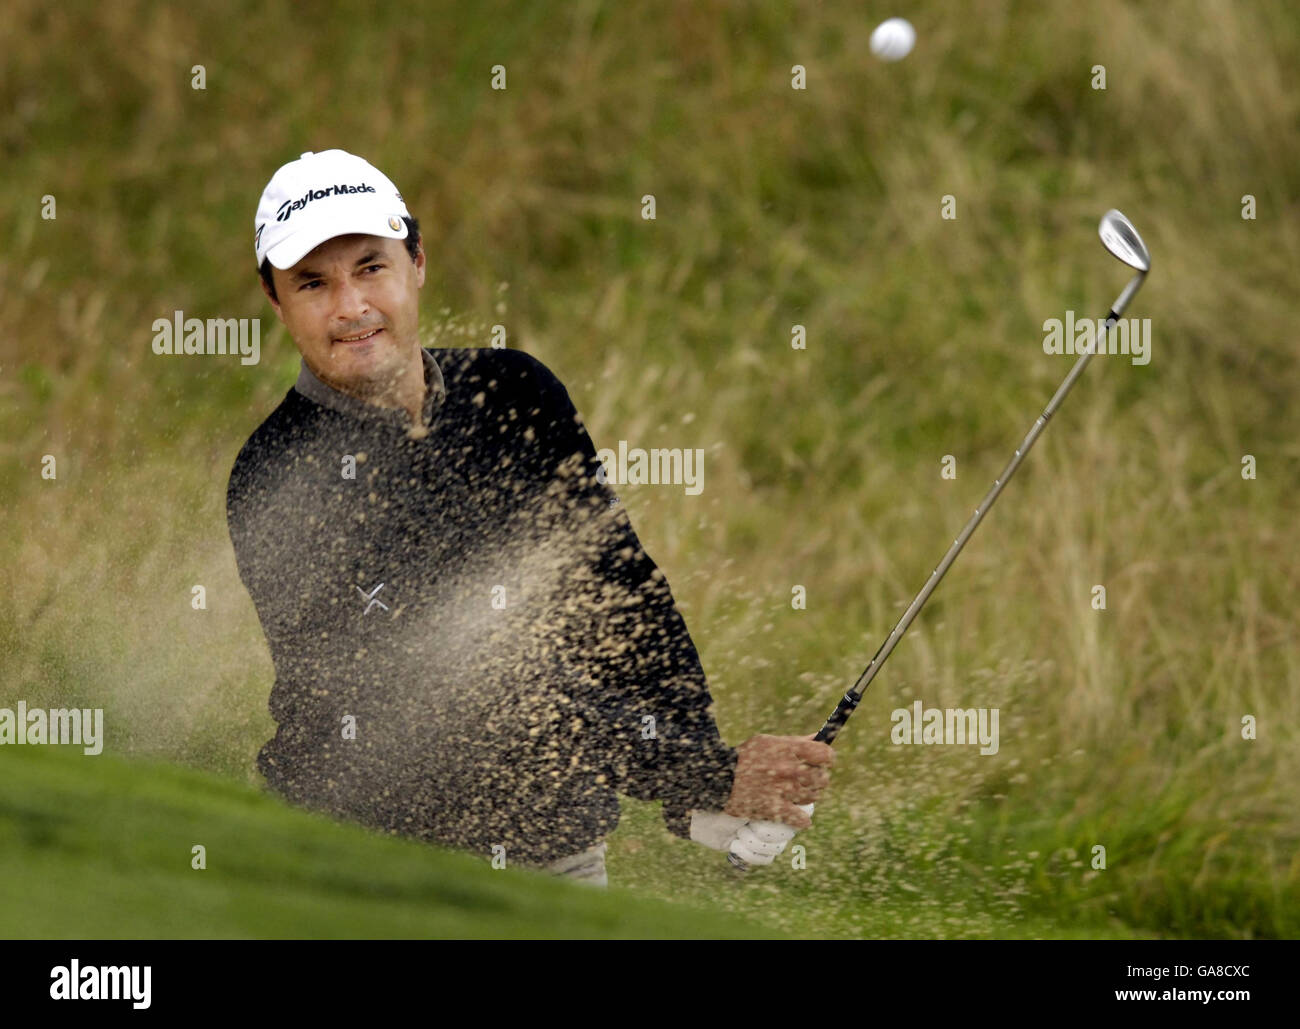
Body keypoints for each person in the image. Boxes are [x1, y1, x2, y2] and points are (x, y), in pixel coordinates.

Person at [226, 149, 833, 888]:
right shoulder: (280, 478)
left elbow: (620, 593)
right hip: (361, 866)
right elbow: (456, 690)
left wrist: (693, 777)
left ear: (417, 262)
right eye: (313, 283)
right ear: (273, 298)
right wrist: (706, 773)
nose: (350, 306)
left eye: (371, 267)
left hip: (557, 857)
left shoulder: (513, 393)